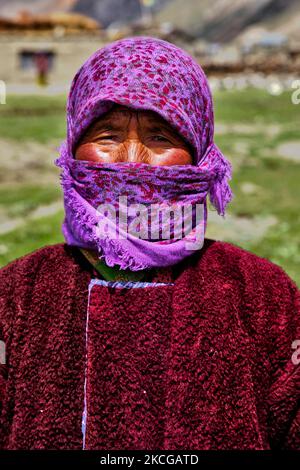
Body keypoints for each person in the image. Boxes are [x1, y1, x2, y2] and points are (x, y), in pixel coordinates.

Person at [0, 36, 299, 450]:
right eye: (107, 135)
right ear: (72, 147)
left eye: (160, 137)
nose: (132, 159)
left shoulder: (263, 296)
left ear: (199, 155)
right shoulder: (17, 295)